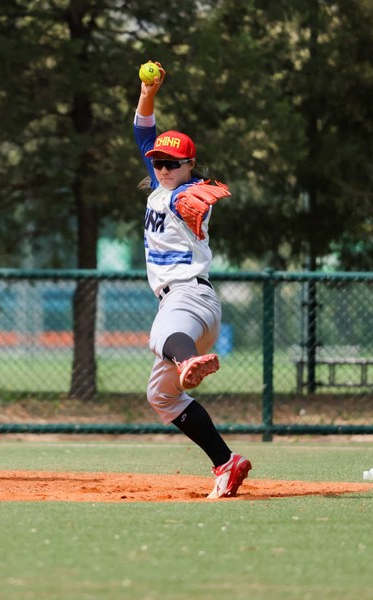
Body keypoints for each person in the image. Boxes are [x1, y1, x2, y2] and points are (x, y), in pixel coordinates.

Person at [133, 61, 251, 498]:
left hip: (189, 299)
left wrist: (191, 196)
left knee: (161, 334)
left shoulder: (187, 192)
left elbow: (192, 196)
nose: (163, 168)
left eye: (172, 163)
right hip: (187, 307)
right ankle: (226, 462)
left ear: (191, 164)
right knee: (162, 398)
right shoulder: (160, 185)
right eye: (158, 162)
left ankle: (186, 362)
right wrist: (149, 90)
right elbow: (144, 130)